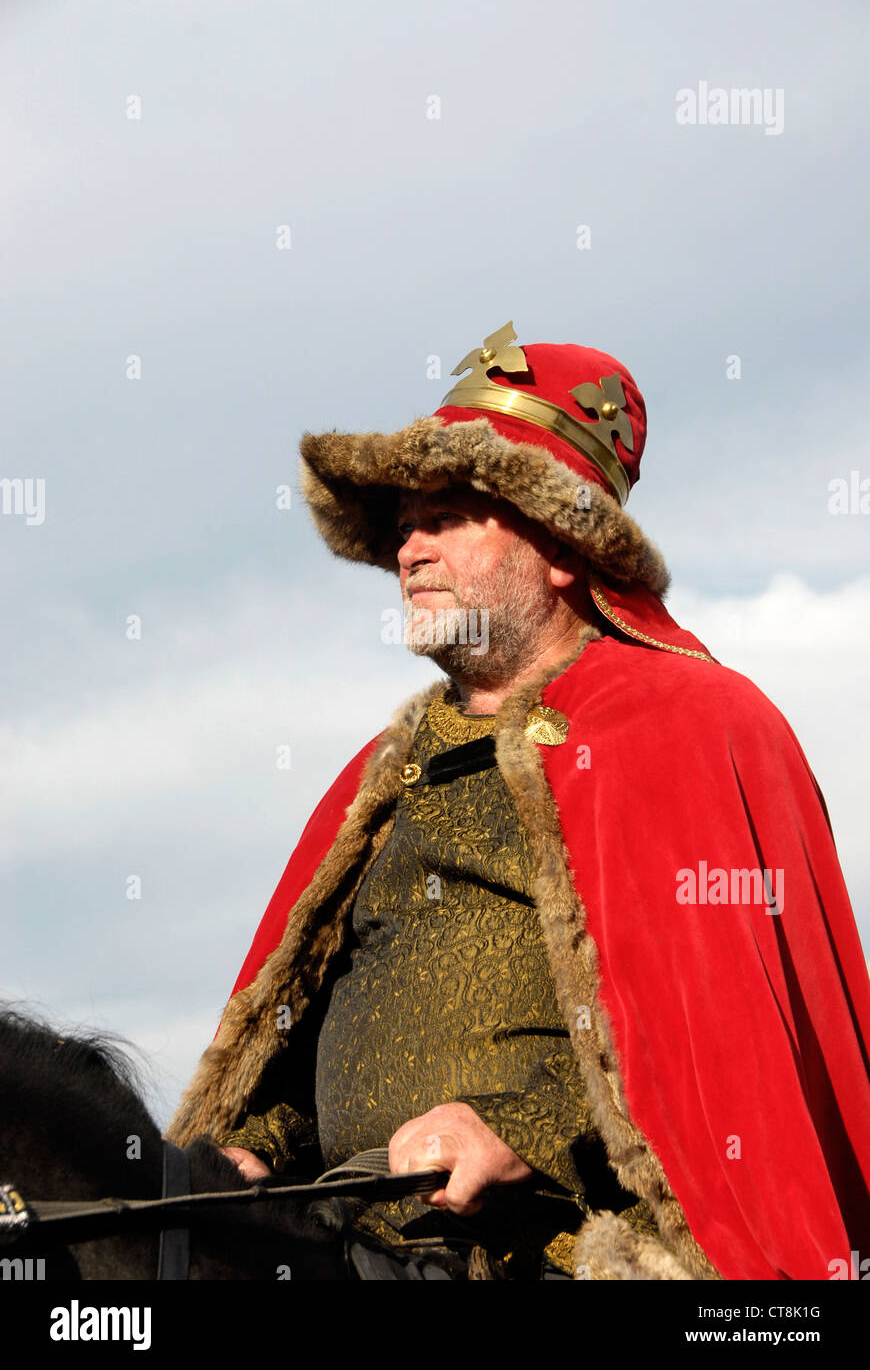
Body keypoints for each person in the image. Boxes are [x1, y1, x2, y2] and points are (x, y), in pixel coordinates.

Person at [167, 322, 870, 1280]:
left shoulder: (695, 728)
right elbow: (301, 1045)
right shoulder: (378, 778)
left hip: (561, 1253)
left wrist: (521, 1133)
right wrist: (264, 1148)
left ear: (564, 548)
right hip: (345, 1242)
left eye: (449, 516)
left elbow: (716, 1068)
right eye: (403, 524)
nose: (408, 548)